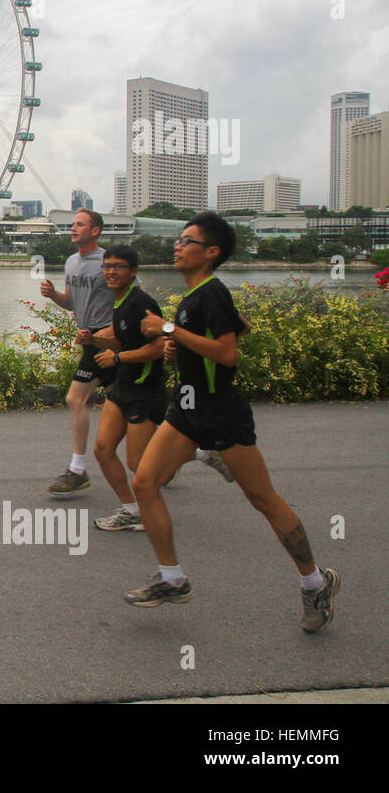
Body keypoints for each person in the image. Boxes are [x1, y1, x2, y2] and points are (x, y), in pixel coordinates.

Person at [122, 211, 340, 632]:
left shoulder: (212, 292)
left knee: (262, 499)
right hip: (185, 411)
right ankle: (173, 579)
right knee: (145, 484)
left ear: (211, 252)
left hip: (220, 413)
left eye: (187, 241)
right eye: (179, 240)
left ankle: (315, 582)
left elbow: (227, 354)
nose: (177, 246)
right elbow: (241, 328)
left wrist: (168, 327)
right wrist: (178, 346)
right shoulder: (196, 295)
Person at [83, 245, 169, 531]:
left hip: (145, 389)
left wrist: (117, 358)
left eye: (118, 266)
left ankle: (196, 452)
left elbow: (159, 347)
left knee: (137, 462)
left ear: (133, 272)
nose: (111, 271)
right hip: (124, 386)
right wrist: (94, 340)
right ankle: (131, 510)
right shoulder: (119, 303)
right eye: (107, 266)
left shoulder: (141, 303)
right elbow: (125, 342)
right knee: (102, 449)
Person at [39, 209, 112, 496]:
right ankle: (188, 454)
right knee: (132, 410)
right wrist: (53, 294)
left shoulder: (109, 261)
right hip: (91, 341)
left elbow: (134, 299)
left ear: (95, 231)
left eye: (80, 224)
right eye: (72, 224)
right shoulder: (71, 262)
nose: (73, 228)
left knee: (75, 398)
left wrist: (112, 333)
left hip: (109, 340)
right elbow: (70, 304)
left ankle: (78, 470)